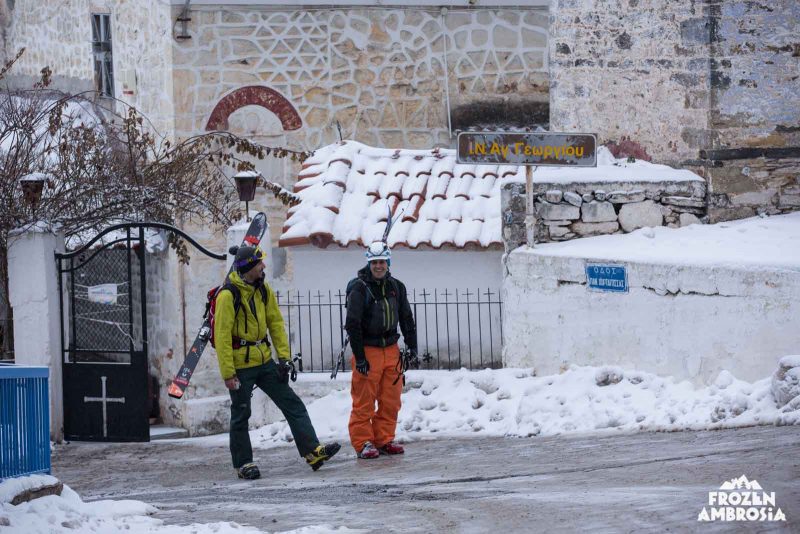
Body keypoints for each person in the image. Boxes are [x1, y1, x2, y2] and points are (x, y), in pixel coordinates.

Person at [216, 245, 340, 479]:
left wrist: (284, 359)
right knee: (241, 414)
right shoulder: (228, 295)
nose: (263, 266)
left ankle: (313, 451)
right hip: (240, 366)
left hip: (264, 361)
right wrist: (228, 374)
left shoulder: (263, 290)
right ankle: (244, 464)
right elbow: (222, 336)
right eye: (259, 263)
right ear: (249, 267)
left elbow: (275, 323)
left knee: (292, 403)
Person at [345, 241, 418, 459]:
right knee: (364, 401)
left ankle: (384, 439)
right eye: (374, 262)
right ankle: (363, 442)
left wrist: (412, 346)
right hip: (368, 350)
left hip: (391, 350)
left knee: (391, 399)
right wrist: (359, 357)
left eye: (382, 262)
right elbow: (353, 324)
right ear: (369, 263)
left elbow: (406, 318)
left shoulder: (397, 287)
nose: (378, 266)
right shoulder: (359, 289)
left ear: (388, 263)